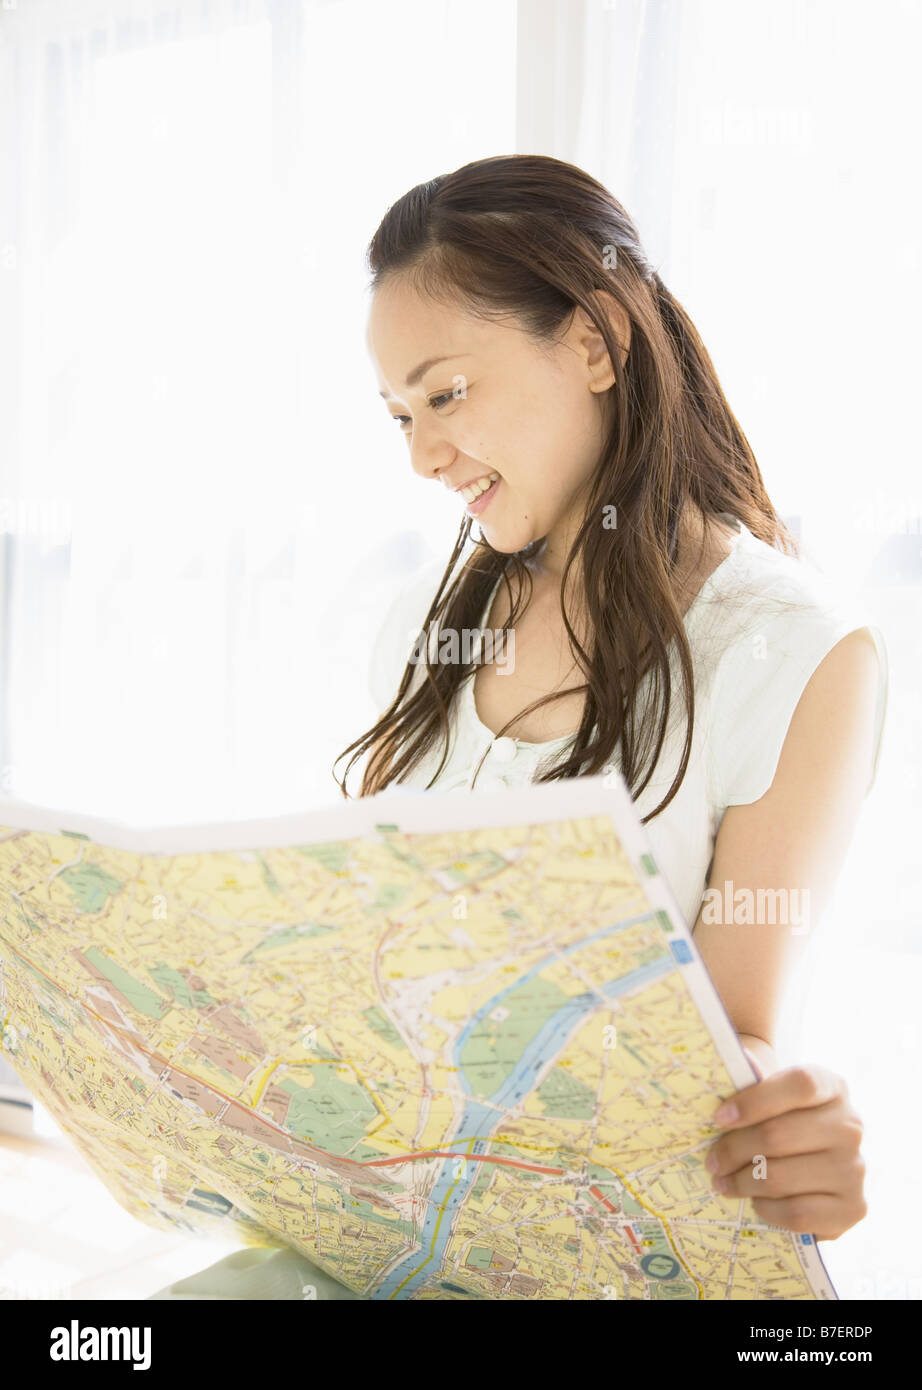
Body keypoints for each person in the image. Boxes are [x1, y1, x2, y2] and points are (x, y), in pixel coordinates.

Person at [149, 153, 887, 1301]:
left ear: (595, 343)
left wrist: (793, 1133)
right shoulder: (426, 621)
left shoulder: (796, 651)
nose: (421, 456)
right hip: (399, 1223)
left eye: (445, 394)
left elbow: (729, 1035)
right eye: (398, 414)